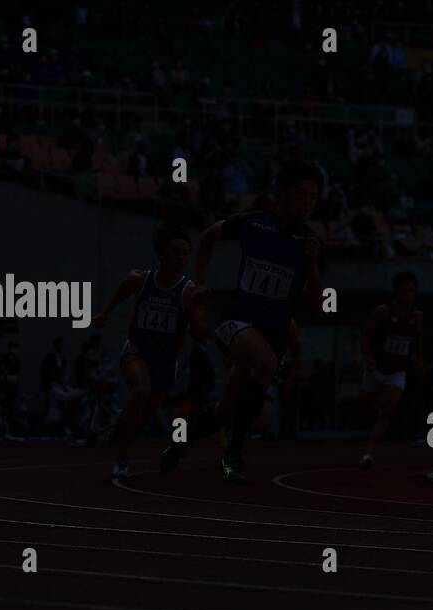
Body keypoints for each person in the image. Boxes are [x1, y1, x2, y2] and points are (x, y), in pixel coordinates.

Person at [160, 160, 325, 482]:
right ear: (284, 193)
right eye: (303, 194)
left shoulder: (311, 243)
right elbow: (207, 237)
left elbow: (321, 306)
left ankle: (178, 444)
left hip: (272, 335)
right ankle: (233, 454)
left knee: (226, 409)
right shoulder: (253, 224)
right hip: (234, 325)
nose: (308, 202)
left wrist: (313, 265)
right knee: (263, 363)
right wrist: (200, 283)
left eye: (314, 197)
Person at [94, 224, 208, 478]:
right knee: (141, 389)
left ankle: (118, 427)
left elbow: (200, 334)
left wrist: (201, 310)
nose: (181, 257)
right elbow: (124, 288)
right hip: (137, 350)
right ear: (162, 254)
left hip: (166, 362)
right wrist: (105, 312)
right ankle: (122, 457)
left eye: (186, 252)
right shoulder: (141, 279)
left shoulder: (188, 292)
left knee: (143, 413)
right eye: (176, 251)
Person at [359, 271, 423, 467]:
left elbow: (415, 342)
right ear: (396, 292)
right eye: (403, 290)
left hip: (397, 372)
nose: (407, 294)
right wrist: (368, 358)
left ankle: (368, 454)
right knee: (368, 410)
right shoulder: (383, 312)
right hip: (376, 369)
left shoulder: (418, 317)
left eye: (411, 290)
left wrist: (417, 360)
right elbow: (366, 337)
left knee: (386, 411)